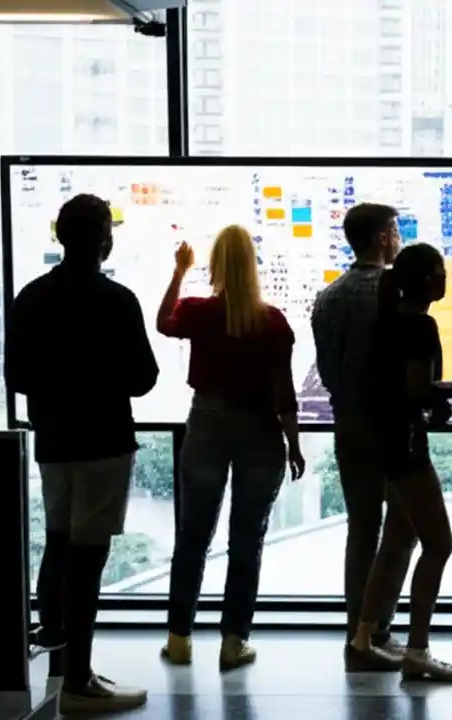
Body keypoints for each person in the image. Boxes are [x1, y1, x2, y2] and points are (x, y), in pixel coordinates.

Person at [5, 193, 158, 713]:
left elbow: (18, 377)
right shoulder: (118, 301)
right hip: (104, 441)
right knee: (90, 559)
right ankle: (79, 682)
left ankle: (63, 662)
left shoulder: (31, 297)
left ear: (59, 237)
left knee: (60, 542)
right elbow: (145, 380)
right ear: (104, 241)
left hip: (53, 441)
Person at [156, 225, 306, 671]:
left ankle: (179, 637)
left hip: (206, 425)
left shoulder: (201, 313)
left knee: (193, 537)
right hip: (259, 430)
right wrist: (294, 444)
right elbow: (284, 393)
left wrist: (179, 272)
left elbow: (164, 322)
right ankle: (233, 640)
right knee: (246, 540)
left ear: (216, 266)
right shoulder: (272, 321)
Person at [347, 243, 452, 681]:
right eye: (439, 271)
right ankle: (418, 649)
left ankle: (363, 638)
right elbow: (417, 390)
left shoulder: (386, 322)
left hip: (383, 442)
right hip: (406, 448)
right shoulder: (420, 325)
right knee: (439, 544)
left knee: (397, 539)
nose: (444, 277)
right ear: (428, 280)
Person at [310, 203, 411, 671]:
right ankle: (381, 628)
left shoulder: (329, 297)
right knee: (401, 528)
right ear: (381, 237)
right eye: (395, 231)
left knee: (362, 528)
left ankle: (358, 631)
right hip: (391, 424)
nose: (398, 239)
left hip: (348, 422)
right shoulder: (395, 293)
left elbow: (326, 371)